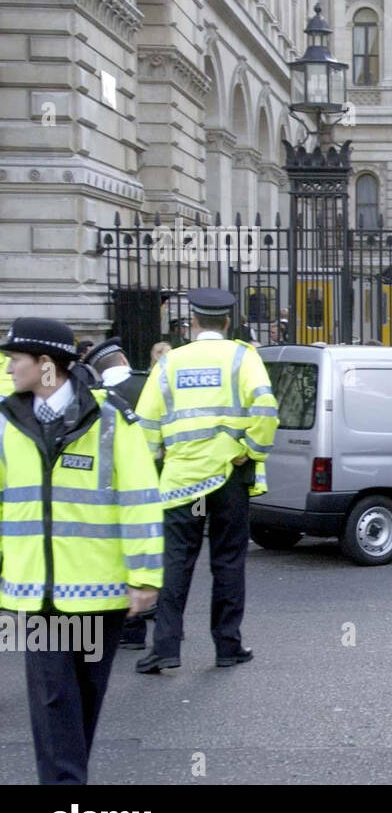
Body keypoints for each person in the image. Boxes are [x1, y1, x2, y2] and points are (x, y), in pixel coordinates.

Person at [0, 318, 163, 783]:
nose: (9, 369)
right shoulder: (5, 421)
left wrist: (145, 576)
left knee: (83, 704)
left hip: (100, 592)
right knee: (54, 704)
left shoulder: (112, 420)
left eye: (17, 360)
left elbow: (140, 499)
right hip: (37, 593)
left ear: (46, 366)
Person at [134, 289, 279, 674]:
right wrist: (251, 448)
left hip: (181, 481)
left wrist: (151, 467)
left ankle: (165, 648)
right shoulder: (242, 357)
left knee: (176, 563)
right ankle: (228, 646)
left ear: (193, 323)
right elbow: (266, 408)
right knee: (228, 561)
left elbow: (146, 421)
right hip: (229, 476)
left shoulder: (170, 362)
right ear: (227, 322)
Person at [85, 338, 155, 649]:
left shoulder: (94, 398)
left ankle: (131, 627)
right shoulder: (148, 383)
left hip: (112, 489)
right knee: (163, 551)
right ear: (124, 360)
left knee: (123, 551)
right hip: (162, 482)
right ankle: (165, 622)